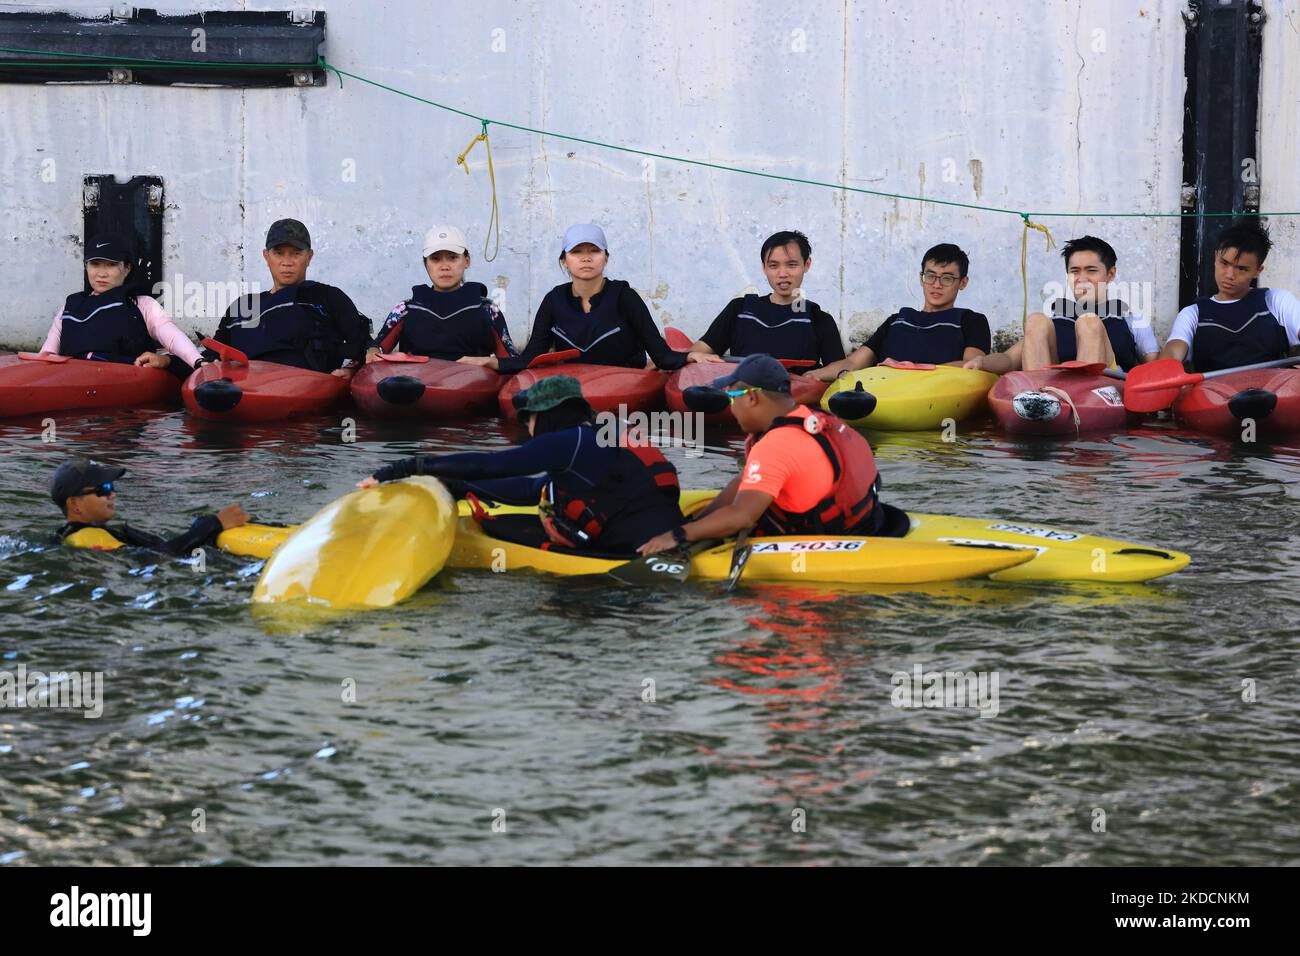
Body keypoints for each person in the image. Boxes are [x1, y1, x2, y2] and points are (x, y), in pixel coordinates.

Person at [358, 375, 682, 554]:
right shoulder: (600, 437)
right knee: (526, 510)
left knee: (492, 525)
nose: (527, 430)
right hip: (673, 532)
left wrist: (405, 468)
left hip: (630, 551)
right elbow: (534, 489)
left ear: (544, 415)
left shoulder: (565, 441)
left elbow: (493, 465)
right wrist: (457, 487)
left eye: (528, 421)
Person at [638, 355, 907, 555]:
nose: (732, 409)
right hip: (871, 522)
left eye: (732, 399)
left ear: (752, 398)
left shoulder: (776, 444)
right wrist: (699, 521)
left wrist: (677, 535)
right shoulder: (817, 419)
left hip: (829, 541)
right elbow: (746, 482)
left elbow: (743, 517)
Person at [459, 224, 687, 374]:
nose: (586, 258)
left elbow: (662, 355)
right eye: (577, 252)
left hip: (624, 385)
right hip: (574, 388)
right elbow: (531, 357)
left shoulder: (625, 298)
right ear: (564, 261)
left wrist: (692, 357)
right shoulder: (554, 301)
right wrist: (492, 362)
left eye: (594, 251)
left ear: (606, 258)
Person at [967, 235, 1158, 374]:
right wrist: (982, 362)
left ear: (1110, 274)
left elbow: (1153, 371)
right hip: (1056, 394)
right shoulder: (1054, 321)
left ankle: (1083, 399)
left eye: (1091, 270)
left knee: (1088, 321)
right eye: (1075, 271)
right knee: (1035, 319)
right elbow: (1009, 360)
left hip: (1106, 393)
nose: (1082, 278)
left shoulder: (1134, 320)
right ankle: (1038, 400)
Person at [208, 219, 370, 378]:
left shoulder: (327, 297)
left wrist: (350, 371)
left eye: (296, 254)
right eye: (278, 253)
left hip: (305, 388)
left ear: (309, 256)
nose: (287, 263)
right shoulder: (244, 305)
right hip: (244, 389)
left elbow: (366, 347)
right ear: (266, 256)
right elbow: (214, 352)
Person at [810, 243, 989, 381]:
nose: (936, 284)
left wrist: (910, 368)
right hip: (885, 393)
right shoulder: (896, 321)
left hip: (935, 396)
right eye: (930, 276)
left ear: (963, 282)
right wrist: (812, 375)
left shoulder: (971, 321)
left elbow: (972, 366)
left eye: (947, 278)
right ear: (921, 279)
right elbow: (853, 363)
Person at [39, 233, 203, 375]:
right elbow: (47, 355)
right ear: (85, 266)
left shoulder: (144, 304)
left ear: (127, 268)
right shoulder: (70, 307)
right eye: (95, 264)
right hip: (72, 376)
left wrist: (198, 362)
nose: (102, 273)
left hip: (125, 377)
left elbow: (173, 338)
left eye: (111, 265)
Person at [685, 230, 845, 368]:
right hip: (743, 397)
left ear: (807, 264)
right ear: (764, 267)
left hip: (794, 400)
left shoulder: (819, 320)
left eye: (791, 265)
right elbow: (701, 349)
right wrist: (693, 356)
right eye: (774, 266)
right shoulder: (739, 310)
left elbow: (839, 371)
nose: (782, 274)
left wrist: (815, 375)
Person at [1161, 220, 1300, 372]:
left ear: (1257, 271)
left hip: (1274, 393)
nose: (1229, 275)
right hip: (1212, 394)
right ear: (1215, 257)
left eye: (1241, 268)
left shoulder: (1277, 301)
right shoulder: (1192, 314)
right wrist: (1165, 370)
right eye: (1224, 263)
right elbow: (1172, 354)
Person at [366, 224, 518, 363]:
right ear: (426, 264)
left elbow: (512, 360)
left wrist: (490, 362)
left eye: (453, 258)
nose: (444, 266)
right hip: (416, 389)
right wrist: (373, 352)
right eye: (435, 259)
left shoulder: (487, 309)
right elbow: (377, 349)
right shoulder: (407, 309)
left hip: (472, 389)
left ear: (467, 261)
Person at [52, 458, 248, 555]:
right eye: (102, 489)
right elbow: (162, 558)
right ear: (74, 504)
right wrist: (212, 524)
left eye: (111, 487)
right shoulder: (89, 537)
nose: (112, 494)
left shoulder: (92, 532)